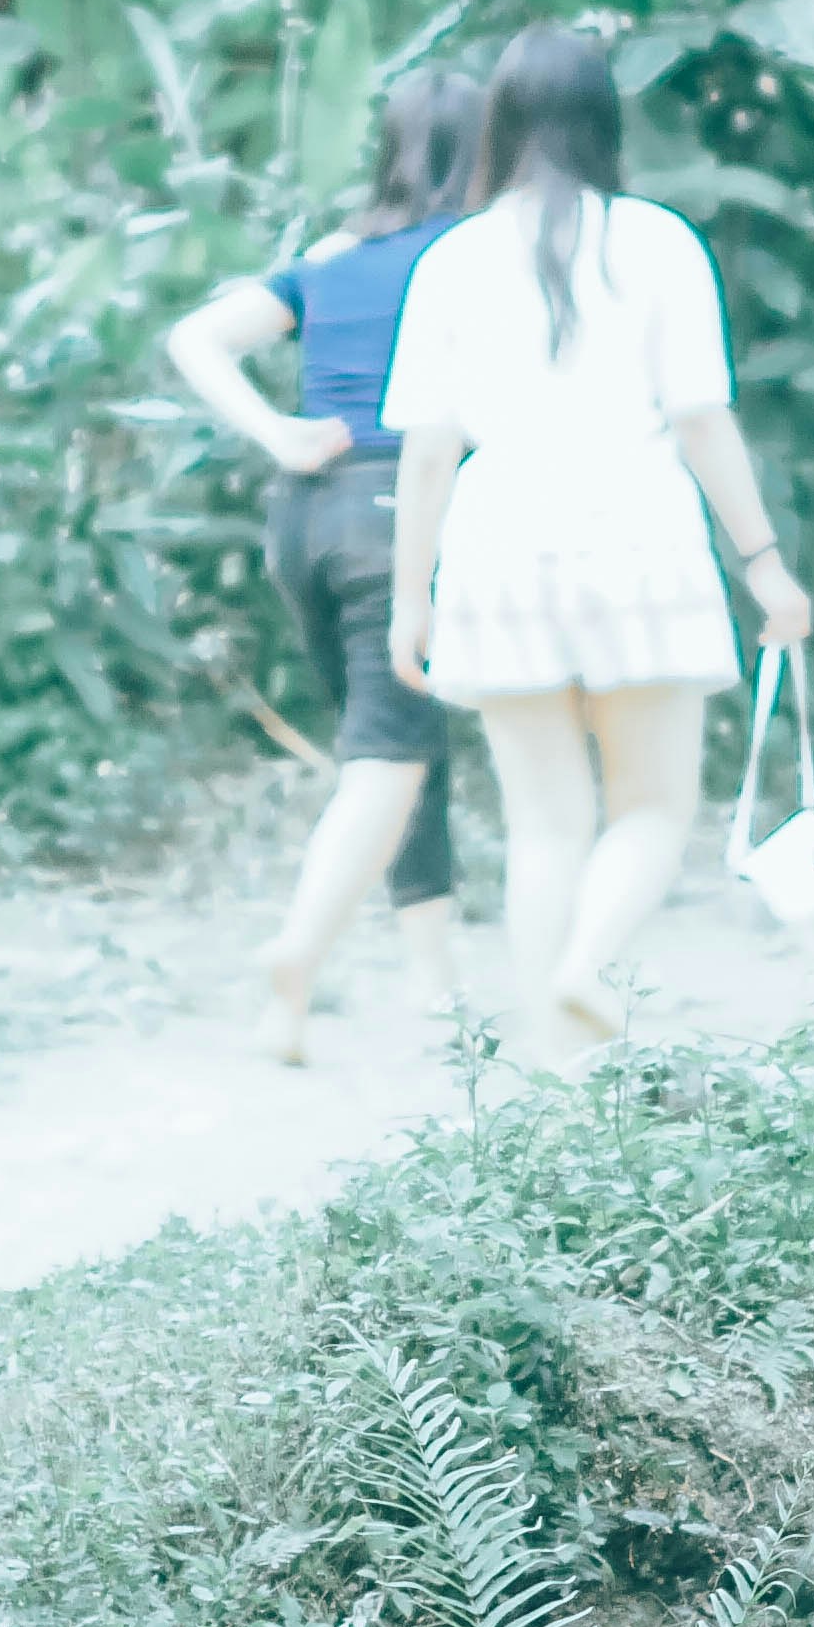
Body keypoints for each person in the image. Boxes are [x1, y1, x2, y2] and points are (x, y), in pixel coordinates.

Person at [383, 26, 811, 1067]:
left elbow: (429, 452)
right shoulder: (660, 242)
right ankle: (590, 967)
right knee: (655, 807)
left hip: (497, 543)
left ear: (500, 123)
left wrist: (411, 597)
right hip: (640, 532)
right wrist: (763, 561)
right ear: (607, 119)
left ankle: (555, 1066)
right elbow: (704, 419)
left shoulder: (452, 257)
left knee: (543, 826)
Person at [162, 64, 483, 1058]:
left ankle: (433, 997)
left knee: (398, 748)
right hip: (401, 516)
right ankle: (297, 951)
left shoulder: (335, 257)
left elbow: (195, 336)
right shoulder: (477, 256)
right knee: (390, 752)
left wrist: (278, 434)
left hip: (305, 519)